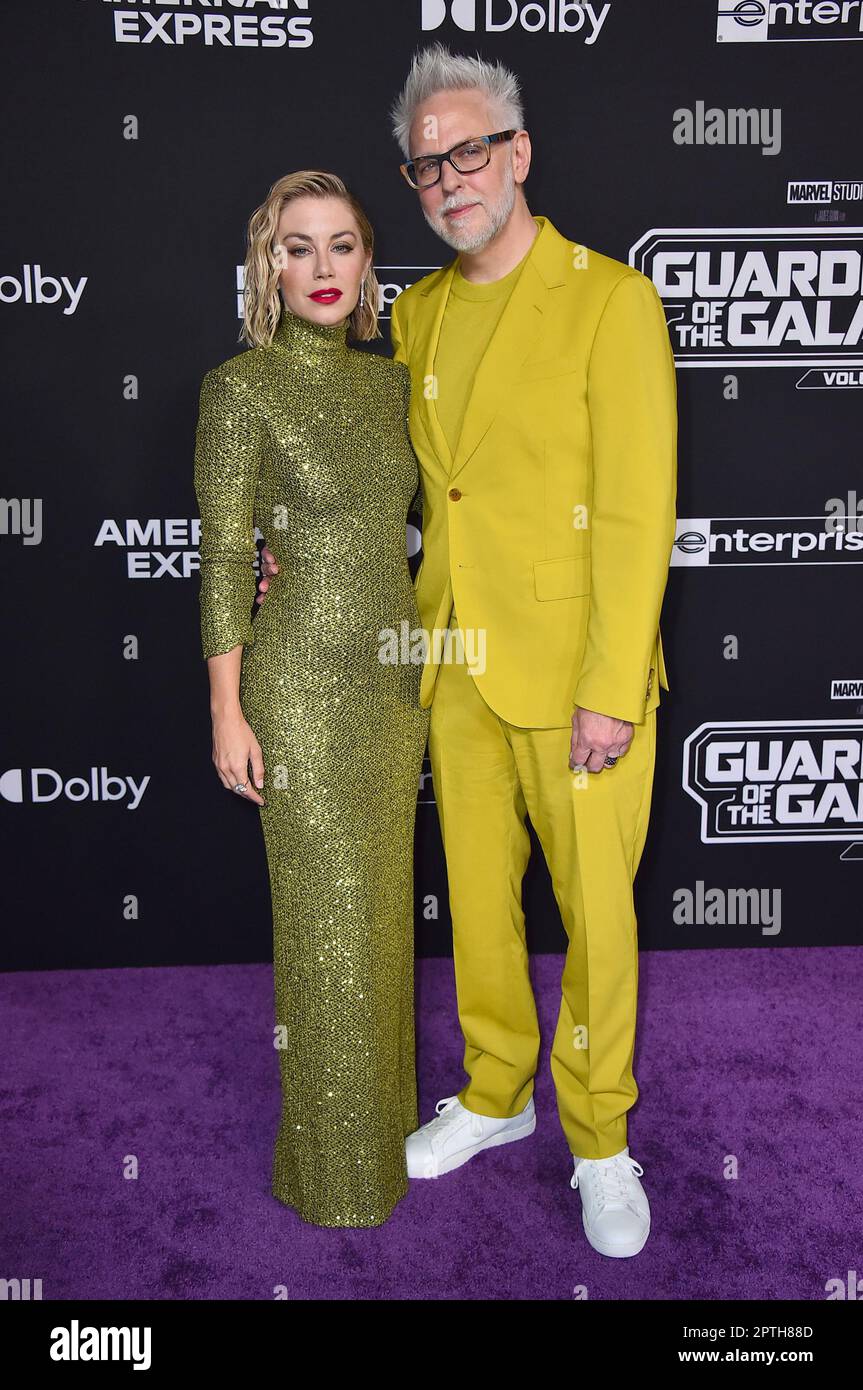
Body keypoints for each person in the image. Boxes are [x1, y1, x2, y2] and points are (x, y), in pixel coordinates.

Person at [260, 42, 678, 1259]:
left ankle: (599, 1134)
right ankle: (494, 1095)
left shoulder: (608, 299)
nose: (449, 177)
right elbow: (397, 485)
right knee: (480, 914)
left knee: (595, 916)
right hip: (448, 659)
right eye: (427, 162)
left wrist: (610, 687)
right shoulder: (420, 312)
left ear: (518, 153)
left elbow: (640, 510)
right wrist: (298, 551)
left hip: (575, 674)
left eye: (470, 151)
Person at [193, 172, 429, 1228]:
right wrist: (225, 711)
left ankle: (384, 1134)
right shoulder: (238, 389)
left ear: (365, 265)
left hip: (392, 690)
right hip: (295, 694)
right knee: (326, 928)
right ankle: (334, 1176)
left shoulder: (392, 385)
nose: (324, 268)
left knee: (379, 925)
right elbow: (221, 558)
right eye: (300, 247)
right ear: (267, 265)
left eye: (342, 246)